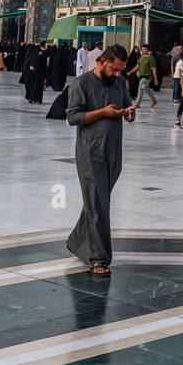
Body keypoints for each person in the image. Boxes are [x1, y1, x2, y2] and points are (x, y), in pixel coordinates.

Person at [65, 45, 136, 277]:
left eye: (120, 70)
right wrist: (103, 113)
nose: (117, 74)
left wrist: (129, 112)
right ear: (101, 62)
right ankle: (99, 257)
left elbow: (126, 105)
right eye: (114, 69)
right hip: (90, 152)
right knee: (97, 203)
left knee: (99, 201)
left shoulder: (118, 82)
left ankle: (77, 241)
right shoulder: (82, 83)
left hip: (113, 151)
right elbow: (73, 117)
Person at [130, 44, 159, 111]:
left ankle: (137, 104)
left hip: (147, 77)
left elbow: (154, 69)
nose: (143, 50)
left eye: (144, 49)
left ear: (148, 50)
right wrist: (130, 72)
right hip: (141, 76)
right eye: (142, 49)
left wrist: (156, 79)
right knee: (145, 88)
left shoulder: (151, 58)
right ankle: (154, 101)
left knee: (140, 87)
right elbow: (137, 67)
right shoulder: (141, 58)